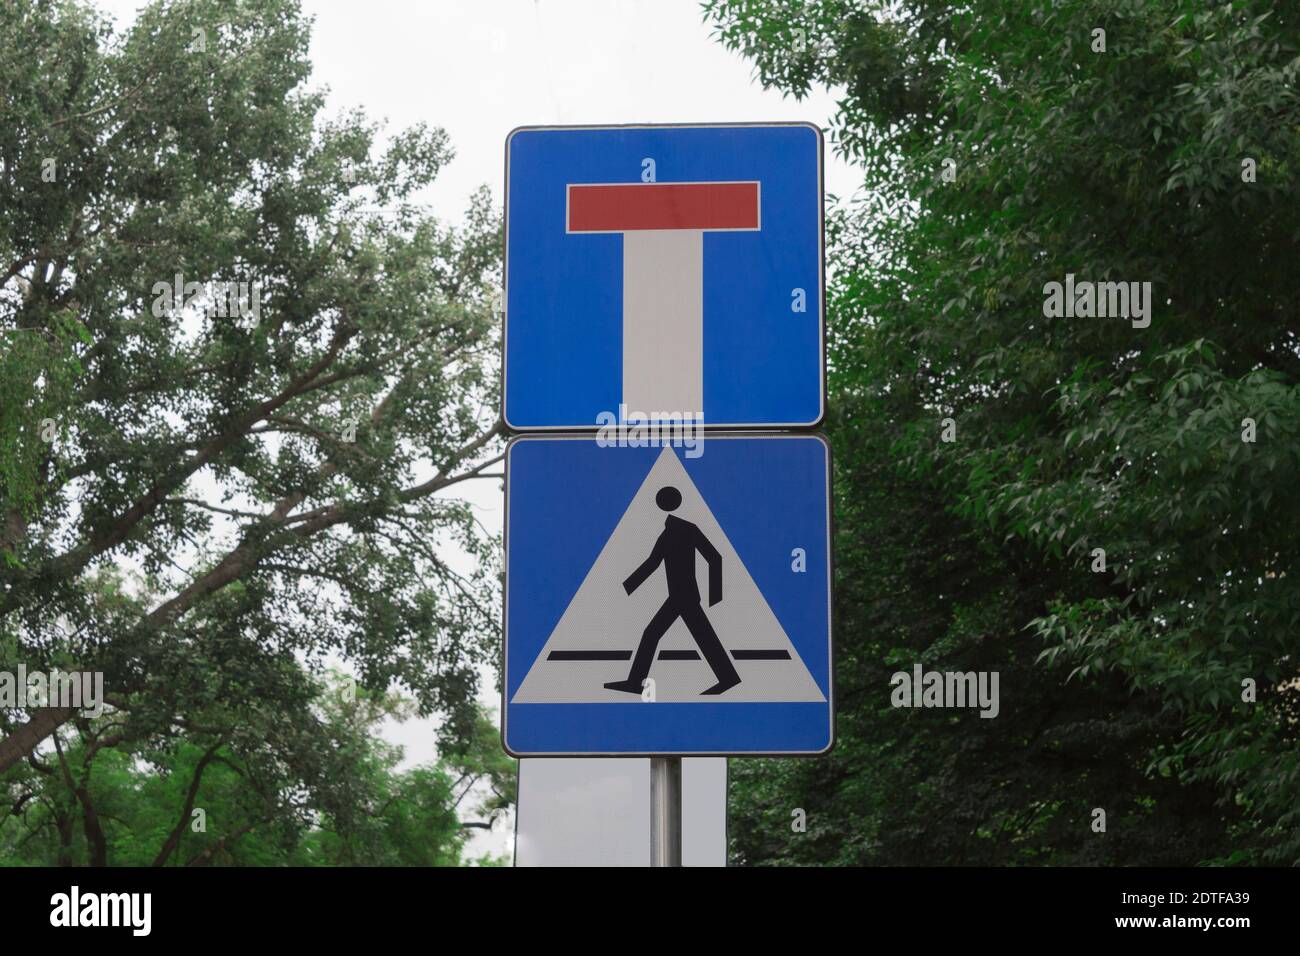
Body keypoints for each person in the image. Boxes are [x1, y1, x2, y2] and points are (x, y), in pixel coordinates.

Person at [604, 486, 742, 696]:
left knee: (656, 634)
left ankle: (635, 682)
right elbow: (654, 563)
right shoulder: (676, 531)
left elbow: (713, 558)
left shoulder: (679, 531)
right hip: (680, 595)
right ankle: (728, 677)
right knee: (693, 636)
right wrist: (626, 587)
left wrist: (716, 597)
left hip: (683, 596)